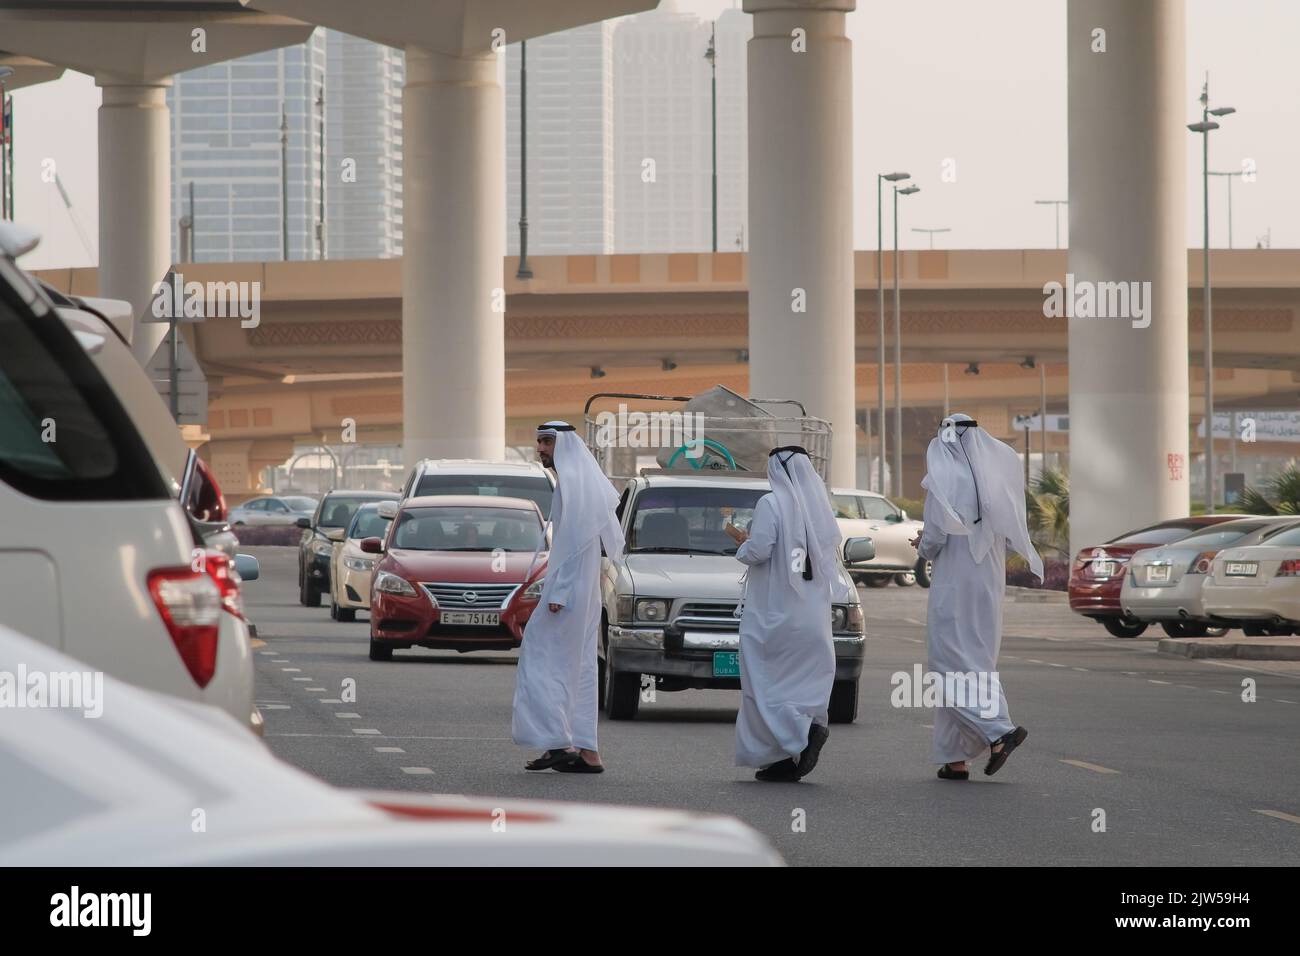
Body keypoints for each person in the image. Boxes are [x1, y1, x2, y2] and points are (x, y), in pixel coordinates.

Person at [910, 414, 1042, 780]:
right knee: (976, 662)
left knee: (949, 663)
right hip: (987, 584)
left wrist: (922, 545)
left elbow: (934, 539)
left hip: (954, 584)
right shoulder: (995, 480)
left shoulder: (944, 479)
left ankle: (1000, 730)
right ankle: (955, 757)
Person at [724, 446, 845, 782]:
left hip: (773, 612)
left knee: (764, 680)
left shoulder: (771, 503)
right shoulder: (818, 509)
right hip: (812, 615)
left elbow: (760, 550)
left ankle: (792, 741)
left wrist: (741, 543)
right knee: (800, 679)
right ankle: (803, 731)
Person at [511, 422, 623, 773]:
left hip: (568, 593)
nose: (541, 448)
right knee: (581, 667)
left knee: (544, 661)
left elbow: (573, 546)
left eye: (546, 442)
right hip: (581, 592)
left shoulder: (573, 484)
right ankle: (587, 753)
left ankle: (558, 741)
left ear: (564, 445)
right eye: (539, 441)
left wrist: (558, 592)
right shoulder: (578, 481)